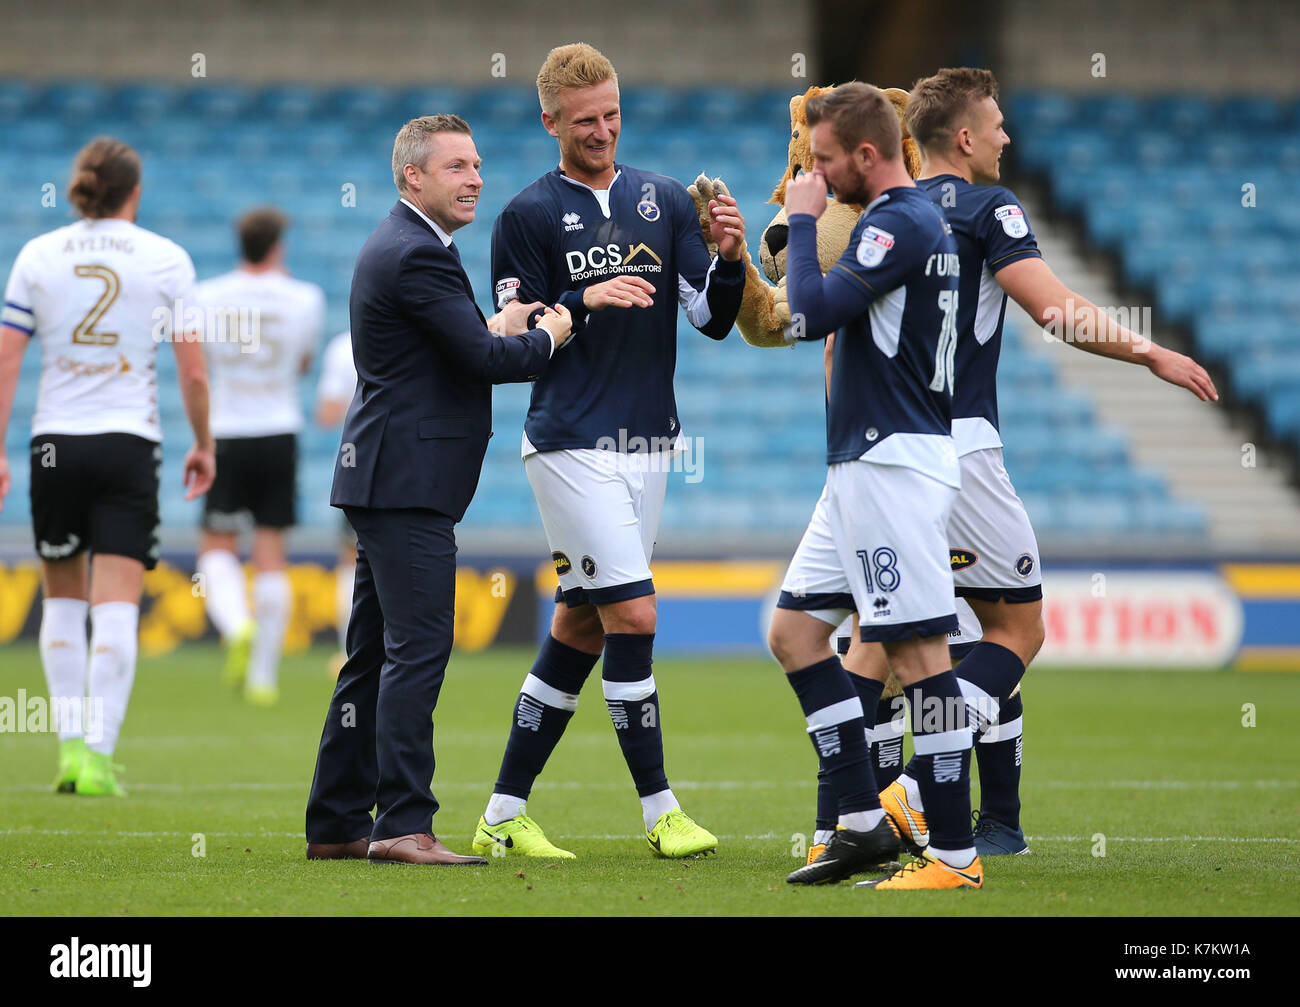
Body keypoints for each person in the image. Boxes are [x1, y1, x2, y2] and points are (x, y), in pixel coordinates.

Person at [871, 66, 1218, 859]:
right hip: (960, 447)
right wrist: (1151, 352)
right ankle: (914, 791)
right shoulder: (990, 207)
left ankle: (963, 822)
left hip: (887, 452)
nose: (1006, 138)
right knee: (1020, 628)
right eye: (995, 126)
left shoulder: (889, 214)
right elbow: (1055, 308)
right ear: (963, 137)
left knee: (951, 641)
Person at [470, 43, 747, 861]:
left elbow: (711, 318)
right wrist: (577, 298)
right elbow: (512, 335)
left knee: (581, 630)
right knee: (634, 613)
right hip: (568, 443)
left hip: (648, 445)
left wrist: (729, 259)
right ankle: (662, 812)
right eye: (585, 120)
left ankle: (501, 813)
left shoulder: (662, 198)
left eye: (612, 116)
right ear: (551, 120)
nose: (602, 132)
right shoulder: (524, 215)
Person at [303, 114, 573, 866]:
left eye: (477, 163)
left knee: (369, 656)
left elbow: (452, 349)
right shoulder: (417, 251)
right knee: (417, 649)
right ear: (412, 176)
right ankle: (402, 823)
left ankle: (335, 821)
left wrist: (498, 326)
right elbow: (486, 361)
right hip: (407, 482)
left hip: (388, 476)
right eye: (456, 165)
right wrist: (556, 331)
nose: (475, 177)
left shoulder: (409, 245)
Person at [770, 82, 982, 890]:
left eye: (823, 161)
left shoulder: (900, 221)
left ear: (866, 155)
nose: (813, 174)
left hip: (891, 464)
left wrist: (797, 214)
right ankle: (861, 818)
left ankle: (955, 855)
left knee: (923, 655)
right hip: (861, 463)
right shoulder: (905, 222)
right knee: (793, 634)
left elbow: (811, 314)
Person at [0, 137, 215, 796]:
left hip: (55, 442)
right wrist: (204, 443)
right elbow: (193, 368)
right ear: (135, 192)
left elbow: (7, 359)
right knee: (117, 603)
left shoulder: (39, 254)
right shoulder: (165, 259)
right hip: (128, 440)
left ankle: (67, 749)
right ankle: (98, 756)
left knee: (62, 598)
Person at [193, 207, 325, 705]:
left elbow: (198, 366)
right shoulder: (304, 297)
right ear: (277, 246)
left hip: (226, 430)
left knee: (217, 547)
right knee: (271, 555)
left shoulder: (207, 295)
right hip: (279, 430)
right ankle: (264, 678)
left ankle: (237, 624)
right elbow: (305, 363)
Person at [313, 328, 358, 676]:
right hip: (414, 458)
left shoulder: (345, 345)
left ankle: (352, 651)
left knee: (353, 559)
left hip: (362, 460)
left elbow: (327, 415)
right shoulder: (425, 330)